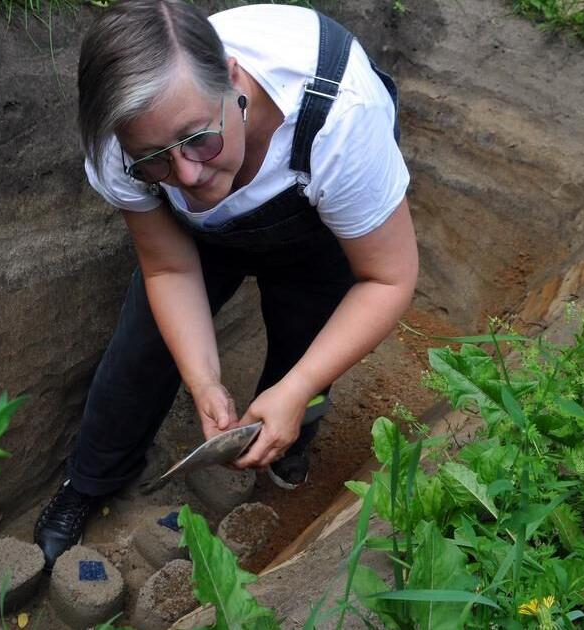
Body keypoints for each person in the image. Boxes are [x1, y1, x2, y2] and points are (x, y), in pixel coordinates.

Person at [34, 0, 418, 570]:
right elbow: (169, 268)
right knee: (142, 349)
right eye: (155, 162)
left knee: (306, 343)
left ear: (233, 80)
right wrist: (204, 380)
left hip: (316, 228)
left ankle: (290, 442)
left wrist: (297, 387)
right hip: (200, 239)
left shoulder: (340, 122)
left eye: (199, 139)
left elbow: (387, 277)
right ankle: (90, 480)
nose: (187, 176)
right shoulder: (122, 143)